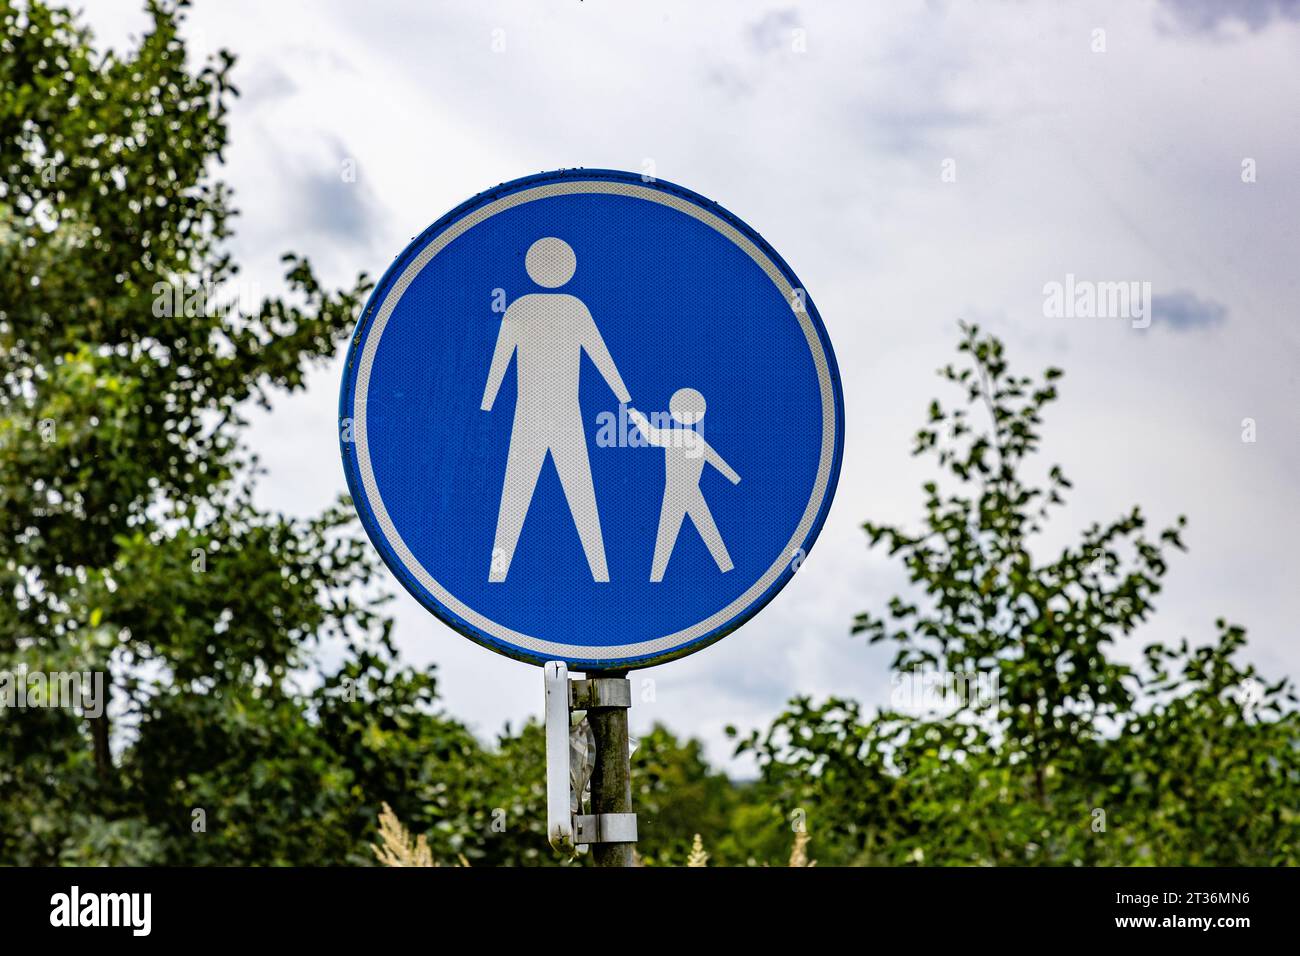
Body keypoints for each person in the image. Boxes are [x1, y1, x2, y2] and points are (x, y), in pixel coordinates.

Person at [481, 237, 630, 582]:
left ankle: (499, 576)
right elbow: (600, 354)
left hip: (539, 411)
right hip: (556, 411)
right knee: (575, 489)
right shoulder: (571, 308)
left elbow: (597, 352)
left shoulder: (522, 308)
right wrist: (622, 396)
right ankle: (601, 576)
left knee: (529, 491)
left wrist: (488, 402)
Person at [627, 389, 739, 582]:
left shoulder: (678, 437)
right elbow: (717, 462)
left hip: (678, 492)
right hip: (687, 491)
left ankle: (656, 578)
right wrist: (734, 479)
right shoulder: (695, 439)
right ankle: (727, 569)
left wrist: (633, 414)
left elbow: (651, 435)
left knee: (668, 535)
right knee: (705, 531)